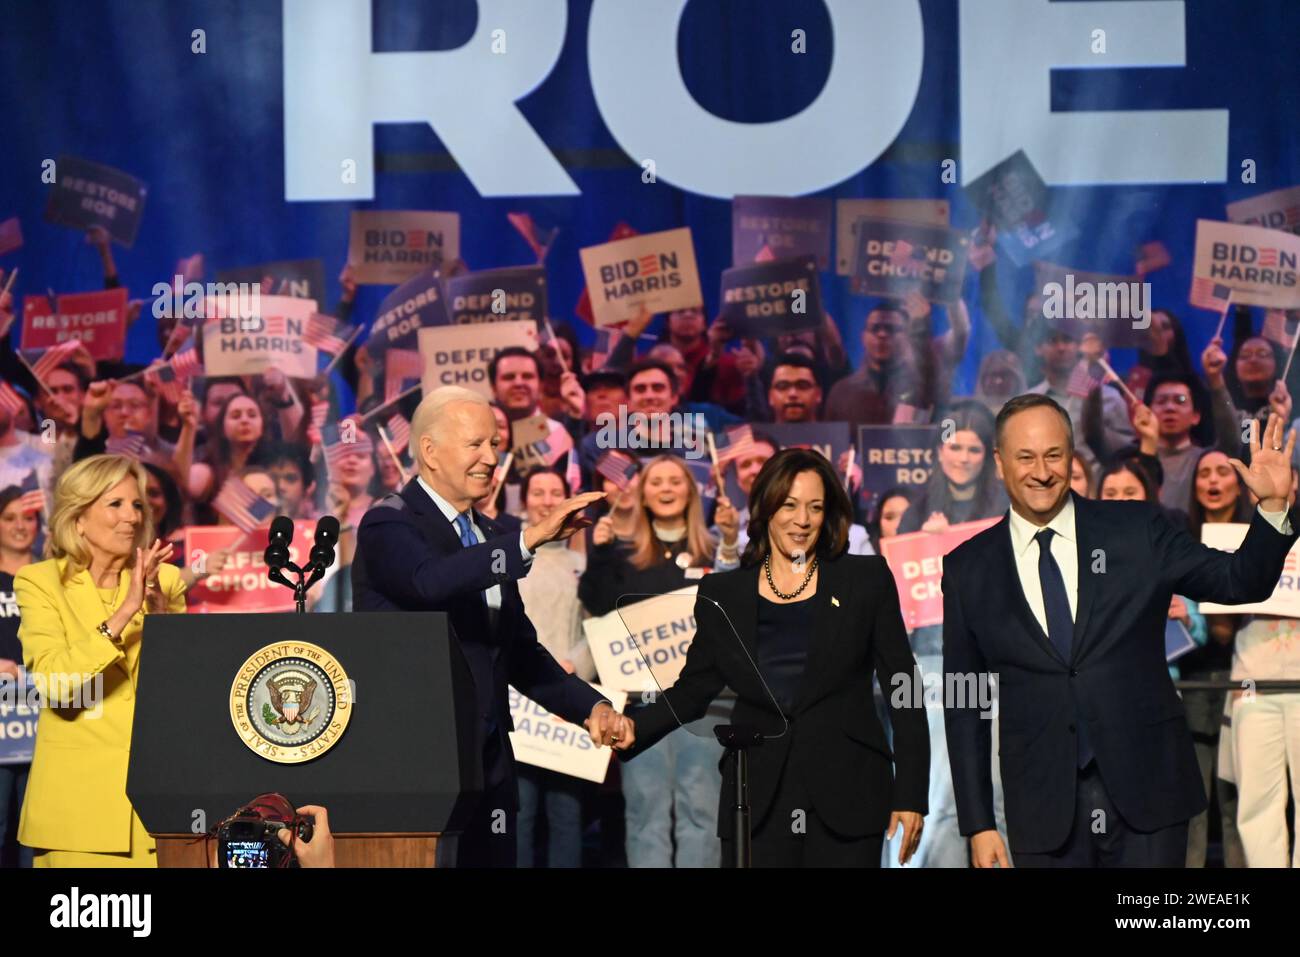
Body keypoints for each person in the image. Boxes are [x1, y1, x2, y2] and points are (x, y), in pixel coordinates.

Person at [943, 394, 1298, 867]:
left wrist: (1273, 508)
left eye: (1053, 455)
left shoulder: (1137, 528)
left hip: (1150, 795)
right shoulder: (969, 568)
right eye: (1025, 457)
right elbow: (962, 701)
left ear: (1071, 458)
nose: (1041, 471)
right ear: (1000, 464)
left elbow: (1240, 581)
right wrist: (979, 823)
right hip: (1042, 809)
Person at [350, 386, 629, 867]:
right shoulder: (388, 523)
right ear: (430, 452)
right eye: (475, 444)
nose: (490, 458)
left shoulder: (494, 535)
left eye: (495, 445)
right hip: (415, 761)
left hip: (490, 766)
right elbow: (430, 582)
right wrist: (531, 538)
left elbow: (518, 650)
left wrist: (590, 706)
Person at [619, 448, 929, 866]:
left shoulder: (866, 580)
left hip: (848, 797)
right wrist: (632, 728)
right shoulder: (723, 594)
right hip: (757, 799)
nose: (802, 520)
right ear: (765, 507)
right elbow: (695, 690)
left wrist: (911, 793)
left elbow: (903, 690)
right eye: (789, 505)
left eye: (815, 507)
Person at [15, 454, 186, 867]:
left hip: (157, 811)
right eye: (115, 504)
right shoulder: (40, 582)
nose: (131, 516)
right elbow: (54, 683)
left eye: (137, 505)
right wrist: (126, 611)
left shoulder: (166, 581)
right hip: (78, 816)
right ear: (78, 519)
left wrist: (162, 621)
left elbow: (183, 692)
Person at [579, 454, 725, 867]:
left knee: (701, 811)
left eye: (674, 481)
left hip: (704, 705)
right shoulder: (623, 555)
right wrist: (602, 553)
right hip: (644, 705)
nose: (665, 489)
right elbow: (596, 606)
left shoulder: (715, 550)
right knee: (646, 813)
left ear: (691, 492)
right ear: (641, 494)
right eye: (655, 482)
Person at [515, 467, 593, 868]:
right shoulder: (511, 558)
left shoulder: (583, 563)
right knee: (520, 811)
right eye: (538, 492)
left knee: (566, 811)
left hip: (567, 696)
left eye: (555, 492)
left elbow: (596, 629)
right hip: (519, 702)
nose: (547, 500)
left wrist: (574, 663)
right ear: (524, 500)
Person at [0, 485, 38, 867]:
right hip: (0, 724)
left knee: (36, 827)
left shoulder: (53, 577)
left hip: (42, 719)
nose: (20, 526)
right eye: (9, 517)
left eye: (28, 517)